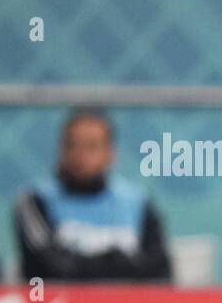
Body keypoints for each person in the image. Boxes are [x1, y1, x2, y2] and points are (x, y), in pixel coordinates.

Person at [14, 108, 172, 282]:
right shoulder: (36, 200)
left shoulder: (138, 202)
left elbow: (159, 270)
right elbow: (50, 267)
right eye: (71, 145)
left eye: (91, 146)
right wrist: (116, 263)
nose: (80, 155)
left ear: (110, 154)